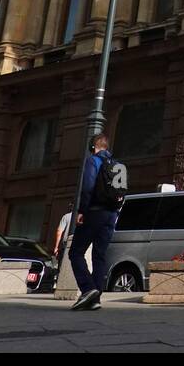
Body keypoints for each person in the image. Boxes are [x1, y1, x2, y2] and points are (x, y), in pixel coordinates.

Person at [69, 133, 121, 311]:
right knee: (99, 255)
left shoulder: (93, 161)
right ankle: (96, 297)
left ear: (93, 147)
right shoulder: (116, 164)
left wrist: (82, 211)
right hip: (112, 215)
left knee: (75, 252)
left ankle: (88, 289)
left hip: (95, 212)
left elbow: (88, 187)